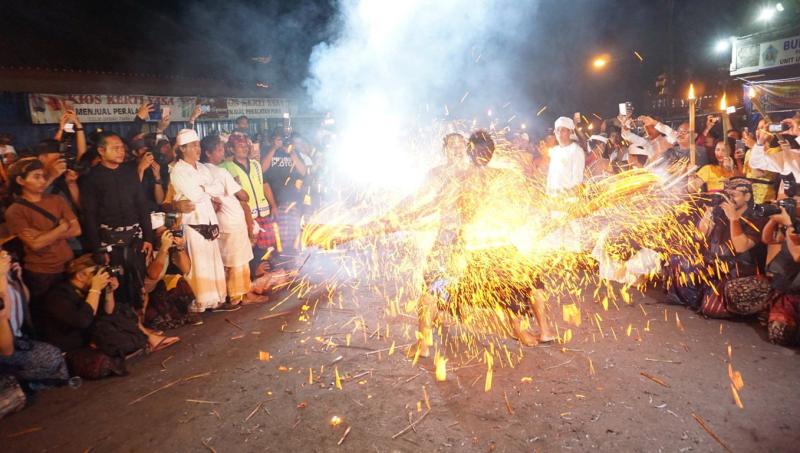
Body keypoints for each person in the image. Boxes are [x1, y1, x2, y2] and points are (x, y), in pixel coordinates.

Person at [80, 131, 154, 309]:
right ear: (101, 151)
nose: (121, 152)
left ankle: (140, 324)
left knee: (138, 283)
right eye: (115, 148)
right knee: (116, 285)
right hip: (109, 240)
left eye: (122, 147)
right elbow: (89, 215)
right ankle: (121, 325)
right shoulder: (91, 178)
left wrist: (148, 237)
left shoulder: (130, 173)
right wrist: (97, 247)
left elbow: (142, 206)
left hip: (134, 238)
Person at [5, 158, 81, 323]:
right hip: (41, 272)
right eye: (36, 176)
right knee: (48, 315)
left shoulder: (56, 200)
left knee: (71, 311)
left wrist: (43, 235)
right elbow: (35, 244)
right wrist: (60, 228)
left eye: (44, 176)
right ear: (20, 180)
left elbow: (76, 229)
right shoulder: (15, 211)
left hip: (67, 264)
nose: (42, 181)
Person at [201, 134, 265, 305]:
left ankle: (233, 294)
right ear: (208, 153)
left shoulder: (201, 171)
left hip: (220, 221)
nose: (223, 153)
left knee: (229, 261)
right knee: (239, 261)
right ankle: (240, 296)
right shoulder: (221, 171)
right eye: (219, 150)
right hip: (233, 220)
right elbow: (243, 195)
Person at [169, 129, 228, 312]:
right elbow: (194, 195)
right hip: (194, 222)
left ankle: (217, 297)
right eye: (193, 146)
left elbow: (219, 188)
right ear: (183, 149)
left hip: (209, 219)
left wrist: (205, 188)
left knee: (212, 259)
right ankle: (201, 301)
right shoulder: (178, 170)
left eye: (198, 145)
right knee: (198, 263)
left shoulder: (202, 167)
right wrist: (207, 188)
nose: (198, 149)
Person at [0, 250, 70, 387]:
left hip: (19, 339)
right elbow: (6, 349)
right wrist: (1, 276)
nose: (5, 255)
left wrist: (18, 280)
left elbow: (25, 300)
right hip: (5, 347)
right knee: (52, 358)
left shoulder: (5, 276)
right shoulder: (1, 278)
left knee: (56, 356)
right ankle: (11, 379)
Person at [220, 133, 280, 279]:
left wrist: (273, 205)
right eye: (240, 146)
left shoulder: (255, 165)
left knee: (266, 247)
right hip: (245, 216)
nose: (244, 148)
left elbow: (264, 184)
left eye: (246, 145)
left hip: (263, 213)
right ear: (232, 149)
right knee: (248, 248)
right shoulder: (225, 167)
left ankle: (264, 277)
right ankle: (252, 277)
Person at [262, 129, 309, 262]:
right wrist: (273, 148)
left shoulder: (294, 153)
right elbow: (261, 169)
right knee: (277, 239)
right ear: (272, 140)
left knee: (293, 237)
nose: (282, 142)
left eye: (283, 140)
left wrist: (292, 152)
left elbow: (303, 171)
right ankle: (279, 264)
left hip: (293, 203)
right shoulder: (268, 151)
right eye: (278, 140)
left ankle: (292, 264)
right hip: (276, 202)